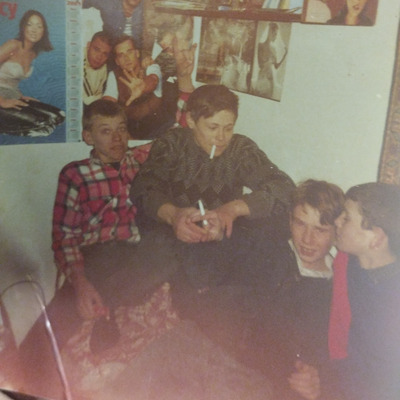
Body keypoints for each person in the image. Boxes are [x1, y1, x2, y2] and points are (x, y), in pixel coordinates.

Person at [18, 99, 179, 400]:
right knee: (54, 325)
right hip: (97, 257)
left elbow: (179, 129)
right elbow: (64, 236)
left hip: (137, 255)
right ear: (89, 136)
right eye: (106, 131)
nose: (117, 138)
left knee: (167, 251)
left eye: (122, 129)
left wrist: (182, 79)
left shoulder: (141, 161)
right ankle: (21, 375)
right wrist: (80, 282)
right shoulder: (75, 174)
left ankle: (105, 308)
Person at [130, 84, 295, 316]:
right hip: (174, 232)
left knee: (274, 230)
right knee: (164, 249)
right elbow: (143, 187)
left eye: (228, 128)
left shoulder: (240, 149)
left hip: (218, 238)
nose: (221, 137)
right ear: (191, 120)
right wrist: (174, 215)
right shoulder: (172, 143)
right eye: (213, 127)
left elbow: (285, 188)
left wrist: (232, 210)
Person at [188, 179, 345, 400]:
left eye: (320, 230)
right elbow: (227, 251)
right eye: (300, 224)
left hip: (256, 378)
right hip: (206, 346)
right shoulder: (267, 247)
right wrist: (217, 235)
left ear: (337, 232)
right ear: (289, 220)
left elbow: (330, 354)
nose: (307, 239)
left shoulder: (335, 290)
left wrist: (318, 380)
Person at [291, 182, 400, 400]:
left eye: (346, 218)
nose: (337, 221)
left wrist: (323, 386)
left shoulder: (391, 300)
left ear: (377, 238)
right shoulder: (347, 261)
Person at [0, 9, 65, 136]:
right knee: (43, 126)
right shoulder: (13, 45)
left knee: (59, 116)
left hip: (13, 95)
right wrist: (2, 101)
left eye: (39, 26)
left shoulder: (33, 53)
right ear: (23, 27)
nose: (34, 29)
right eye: (30, 24)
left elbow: (9, 79)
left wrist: (21, 96)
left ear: (43, 31)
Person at [103, 34, 175, 139]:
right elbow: (108, 103)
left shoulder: (151, 66)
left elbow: (153, 80)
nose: (126, 58)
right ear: (117, 61)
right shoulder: (114, 75)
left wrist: (143, 86)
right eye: (121, 55)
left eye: (129, 52)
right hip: (129, 133)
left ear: (137, 53)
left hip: (157, 132)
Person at [253, 22, 288, 99]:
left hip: (270, 78)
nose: (275, 36)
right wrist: (268, 62)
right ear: (269, 33)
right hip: (262, 77)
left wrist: (285, 55)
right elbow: (260, 65)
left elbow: (276, 66)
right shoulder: (260, 46)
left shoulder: (274, 48)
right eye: (274, 34)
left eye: (276, 34)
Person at [83, 31, 113, 106]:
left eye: (105, 54)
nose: (99, 57)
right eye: (96, 50)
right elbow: (88, 101)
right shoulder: (78, 61)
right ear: (88, 45)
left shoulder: (105, 66)